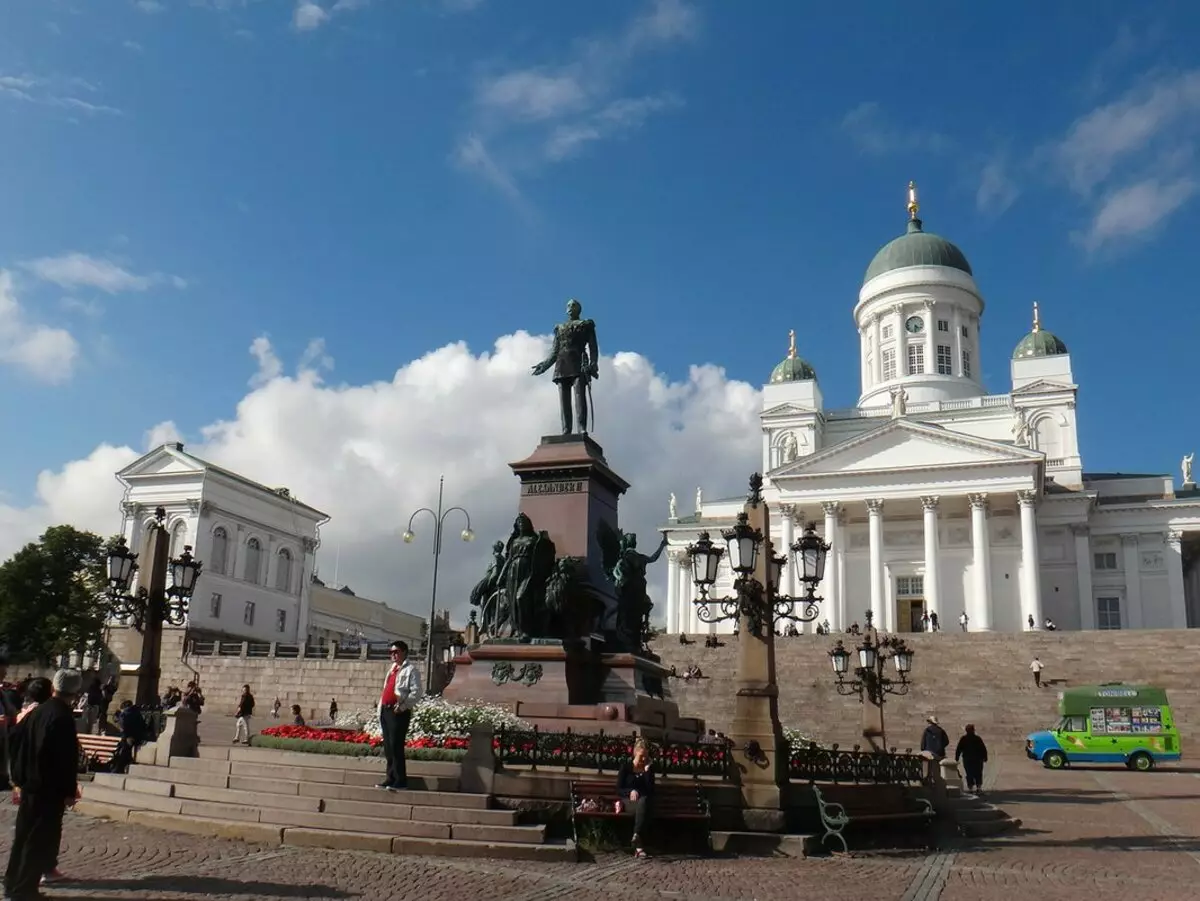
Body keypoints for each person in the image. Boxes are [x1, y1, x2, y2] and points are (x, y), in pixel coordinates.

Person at [4, 669, 82, 901]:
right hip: (47, 788)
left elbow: (15, 739)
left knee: (23, 837)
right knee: (37, 840)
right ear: (75, 691)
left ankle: (13, 884)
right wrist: (69, 790)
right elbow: (65, 758)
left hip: (29, 784)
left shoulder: (38, 711)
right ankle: (24, 890)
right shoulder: (62, 716)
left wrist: (17, 777)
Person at [377, 640, 421, 792]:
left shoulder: (411, 670)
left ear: (404, 652)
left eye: (396, 652)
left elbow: (416, 693)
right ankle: (390, 777)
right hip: (386, 710)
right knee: (388, 747)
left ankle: (400, 780)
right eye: (391, 652)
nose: (393, 655)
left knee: (396, 746)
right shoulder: (392, 669)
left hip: (399, 712)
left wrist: (403, 706)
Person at [616, 739, 655, 858]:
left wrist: (647, 771)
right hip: (629, 802)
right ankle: (638, 840)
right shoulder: (626, 768)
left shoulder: (648, 770)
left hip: (643, 803)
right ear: (635, 753)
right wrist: (630, 791)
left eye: (645, 757)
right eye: (641, 756)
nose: (643, 759)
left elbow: (650, 791)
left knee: (644, 803)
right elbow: (619, 789)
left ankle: (636, 838)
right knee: (644, 806)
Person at [955, 724, 989, 795]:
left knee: (969, 773)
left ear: (966, 731)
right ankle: (978, 788)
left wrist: (957, 758)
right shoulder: (977, 738)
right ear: (973, 730)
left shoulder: (964, 739)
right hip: (977, 759)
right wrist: (985, 757)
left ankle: (970, 788)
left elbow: (959, 749)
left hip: (968, 759)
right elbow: (983, 749)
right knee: (978, 773)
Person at [920, 716, 950, 781]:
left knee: (928, 767)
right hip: (939, 753)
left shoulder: (927, 730)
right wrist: (941, 747)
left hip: (928, 752)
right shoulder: (941, 730)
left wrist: (923, 749)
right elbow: (946, 741)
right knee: (937, 769)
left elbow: (923, 742)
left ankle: (927, 778)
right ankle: (936, 779)